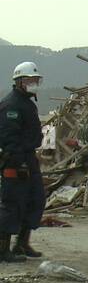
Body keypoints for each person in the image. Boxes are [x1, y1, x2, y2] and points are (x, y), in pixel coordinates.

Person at [0, 63, 46, 263]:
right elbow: (9, 138)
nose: (33, 84)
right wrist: (18, 163)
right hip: (15, 161)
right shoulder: (11, 105)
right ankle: (3, 249)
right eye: (29, 81)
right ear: (18, 81)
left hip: (29, 158)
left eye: (35, 80)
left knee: (36, 200)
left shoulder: (28, 103)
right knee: (13, 204)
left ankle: (22, 243)